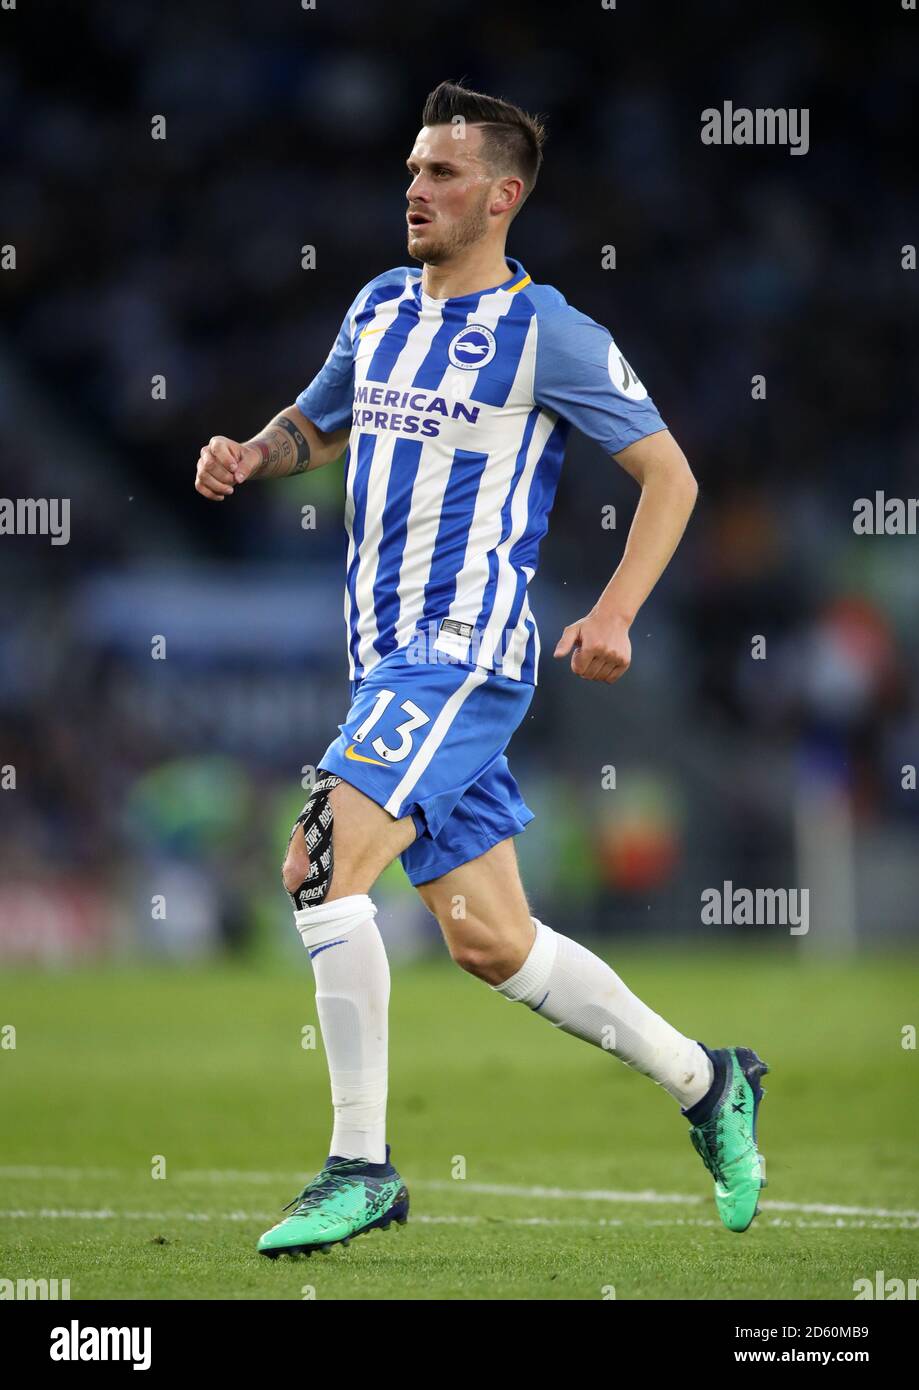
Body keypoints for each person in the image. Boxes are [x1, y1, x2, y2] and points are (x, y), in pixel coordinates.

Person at [195, 79, 768, 1257]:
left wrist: (614, 612)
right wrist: (253, 453)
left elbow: (670, 477)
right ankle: (709, 1083)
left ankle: (361, 1165)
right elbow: (321, 419)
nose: (415, 187)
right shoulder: (378, 306)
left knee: (317, 860)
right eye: (412, 167)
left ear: (502, 197)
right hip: (384, 662)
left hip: (464, 654)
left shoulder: (552, 333)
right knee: (490, 940)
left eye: (443, 173)